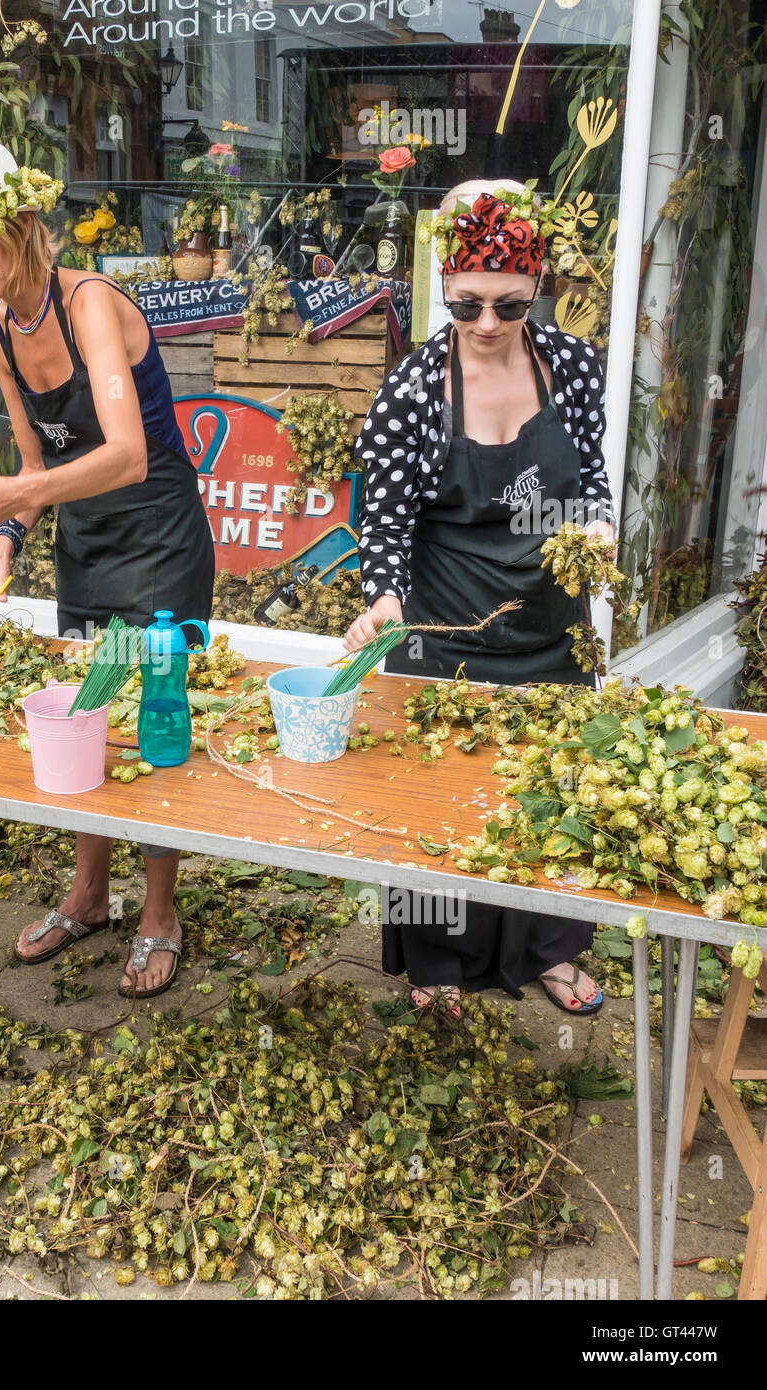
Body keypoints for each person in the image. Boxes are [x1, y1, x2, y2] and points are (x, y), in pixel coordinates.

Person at [0, 141, 216, 998]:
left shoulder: (91, 306)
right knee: (82, 714)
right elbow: (37, 460)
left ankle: (159, 911)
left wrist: (16, 491)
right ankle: (88, 894)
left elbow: (125, 454)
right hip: (85, 543)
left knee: (152, 719)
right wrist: (5, 541)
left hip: (157, 537)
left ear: (25, 223)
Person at [343, 179, 614, 1018]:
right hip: (447, 627)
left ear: (537, 287)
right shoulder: (415, 390)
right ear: (444, 290)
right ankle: (437, 962)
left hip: (548, 624)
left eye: (509, 305)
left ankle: (551, 950)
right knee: (439, 798)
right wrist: (383, 598)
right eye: (466, 306)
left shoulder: (570, 366)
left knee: (548, 791)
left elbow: (592, 477)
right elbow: (383, 520)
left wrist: (597, 525)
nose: (488, 325)